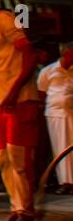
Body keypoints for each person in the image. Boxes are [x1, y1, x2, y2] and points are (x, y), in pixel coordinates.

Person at [0, 8, 43, 221]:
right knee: (3, 159)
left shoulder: (2, 18)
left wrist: (14, 90)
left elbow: (30, 54)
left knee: (20, 159)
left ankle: (27, 213)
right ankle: (16, 207)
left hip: (20, 99)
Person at [36, 41, 73, 195]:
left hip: (71, 113)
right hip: (54, 114)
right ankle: (65, 182)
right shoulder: (48, 71)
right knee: (60, 147)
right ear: (65, 53)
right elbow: (41, 93)